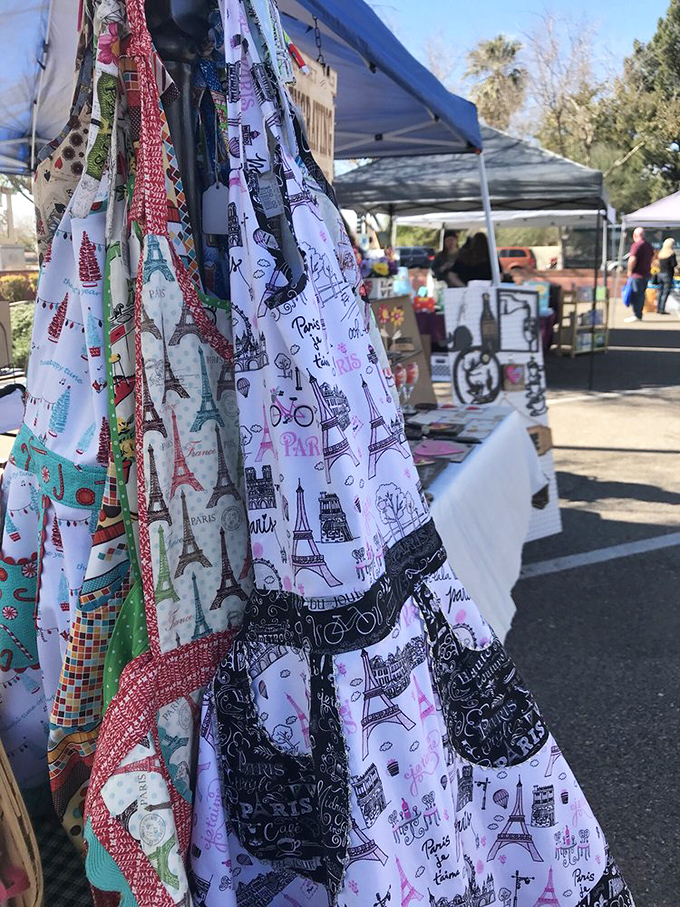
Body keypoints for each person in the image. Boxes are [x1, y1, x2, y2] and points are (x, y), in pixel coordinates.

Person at [625, 226, 654, 322]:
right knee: (641, 295)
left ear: (635, 235)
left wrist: (629, 271)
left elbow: (632, 259)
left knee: (636, 295)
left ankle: (637, 314)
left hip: (637, 274)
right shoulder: (648, 245)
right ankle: (639, 313)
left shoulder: (636, 245)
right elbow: (652, 258)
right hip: (646, 274)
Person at [656, 237, 677, 314]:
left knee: (660, 292)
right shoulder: (671, 254)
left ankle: (658, 308)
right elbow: (673, 264)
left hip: (660, 274)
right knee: (666, 292)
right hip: (667, 274)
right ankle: (662, 309)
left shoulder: (661, 253)